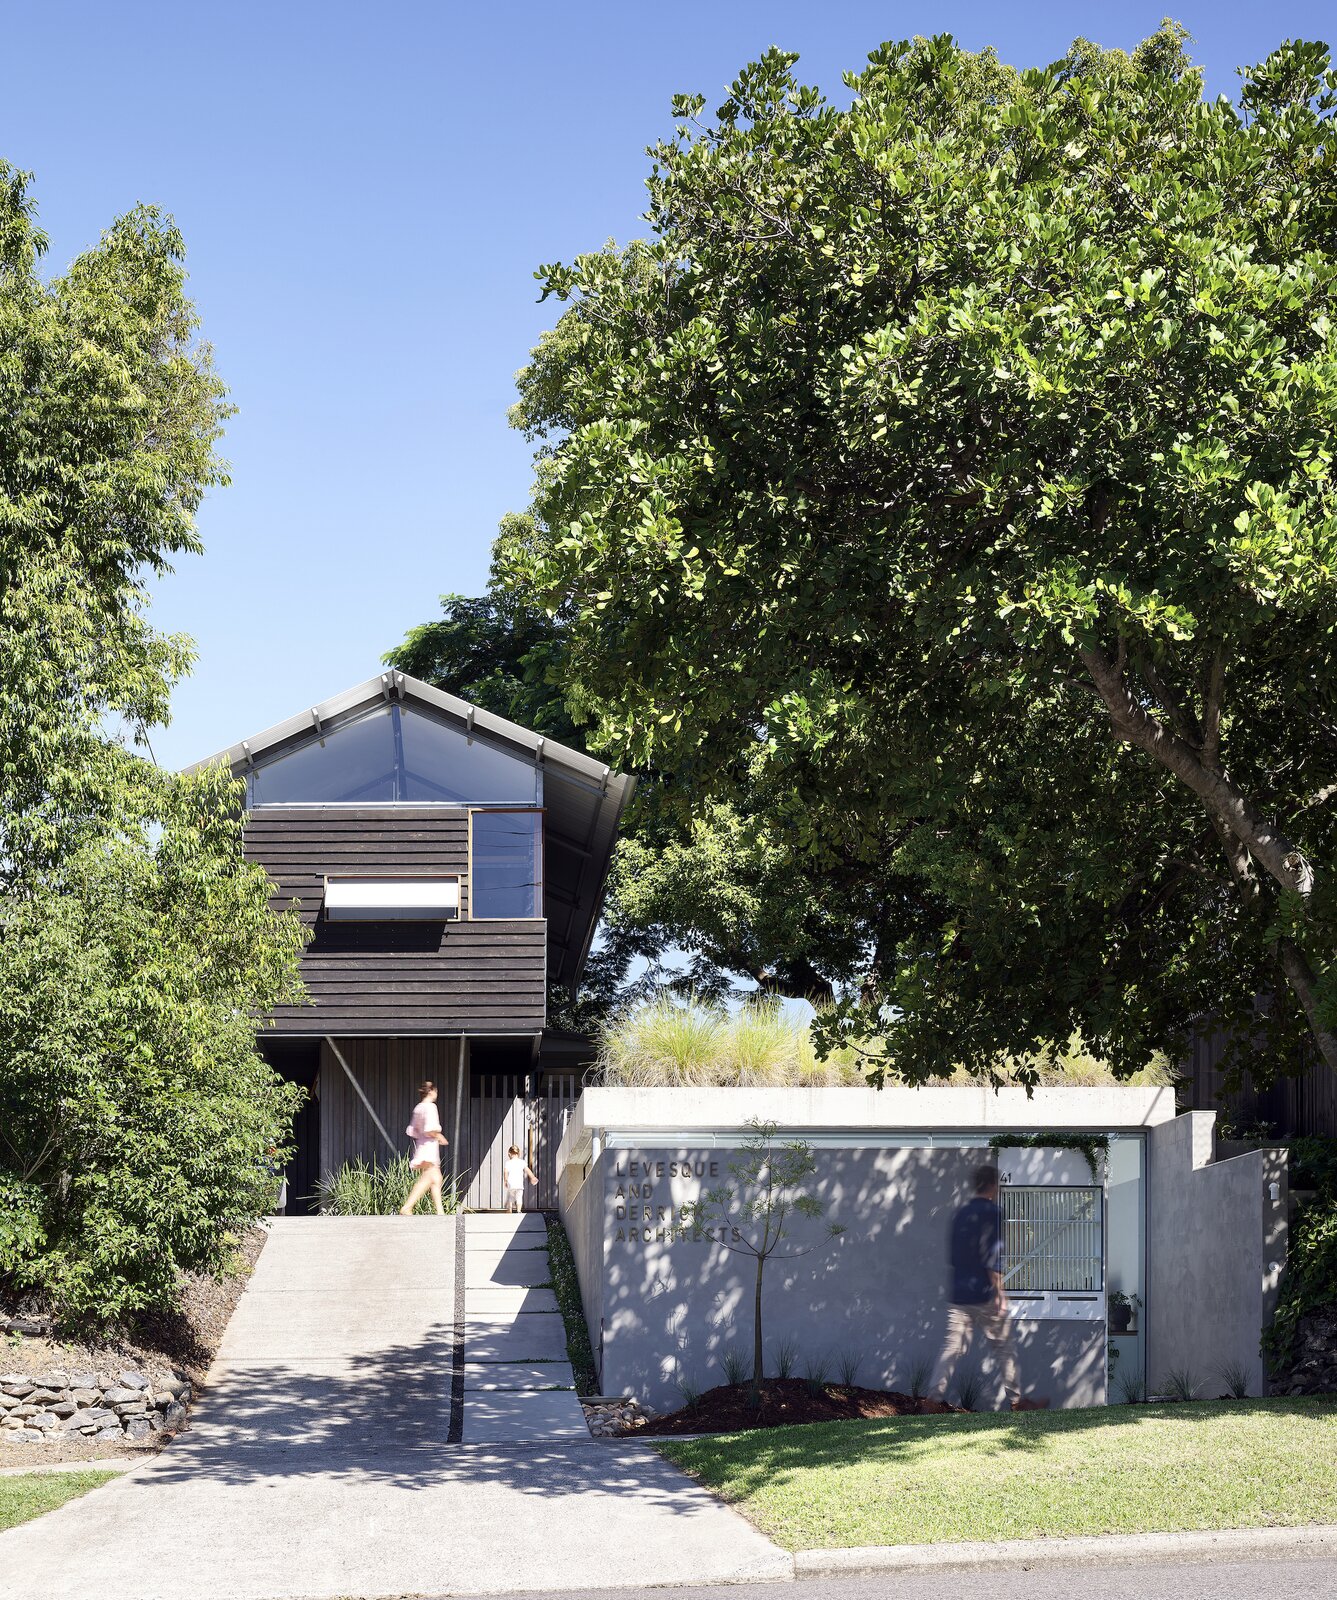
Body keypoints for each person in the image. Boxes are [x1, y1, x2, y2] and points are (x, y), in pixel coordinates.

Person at [928, 1163, 1048, 1411]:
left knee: (952, 1346)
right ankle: (1017, 1402)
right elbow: (993, 1255)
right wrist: (1000, 1294)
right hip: (983, 1294)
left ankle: (932, 1400)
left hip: (959, 1293)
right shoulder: (992, 1212)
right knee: (1004, 1347)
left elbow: (953, 1257)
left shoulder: (960, 1214)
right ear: (993, 1185)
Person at [399, 1081, 449, 1216]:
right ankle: (407, 1206)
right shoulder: (430, 1107)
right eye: (436, 1091)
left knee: (436, 1178)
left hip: (422, 1145)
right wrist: (439, 1136)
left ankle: (440, 1211)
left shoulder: (418, 1108)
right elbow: (430, 1128)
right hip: (429, 1146)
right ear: (431, 1091)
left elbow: (412, 1130)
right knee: (429, 1177)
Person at [502, 1144, 537, 1213]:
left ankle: (510, 1210)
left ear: (510, 1153)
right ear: (518, 1153)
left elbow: (505, 1172)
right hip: (519, 1184)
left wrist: (505, 1181)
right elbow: (528, 1170)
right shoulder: (522, 1162)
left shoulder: (508, 1163)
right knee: (519, 1197)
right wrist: (532, 1177)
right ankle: (518, 1210)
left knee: (510, 1198)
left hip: (511, 1183)